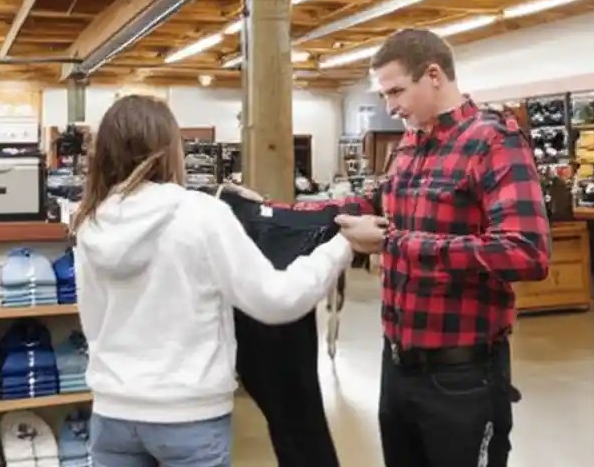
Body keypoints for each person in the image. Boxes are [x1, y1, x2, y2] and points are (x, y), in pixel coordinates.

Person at [243, 28, 551, 466]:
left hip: (463, 374)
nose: (389, 106)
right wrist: (271, 212)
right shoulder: (410, 145)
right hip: (398, 368)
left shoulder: (495, 141)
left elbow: (526, 251)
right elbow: (367, 203)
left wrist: (395, 242)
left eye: (396, 91)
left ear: (433, 76)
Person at [72, 94, 367, 467]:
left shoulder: (90, 222)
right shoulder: (201, 215)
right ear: (169, 149)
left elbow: (92, 324)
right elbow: (277, 302)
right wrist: (342, 246)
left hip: (112, 414)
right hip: (188, 416)